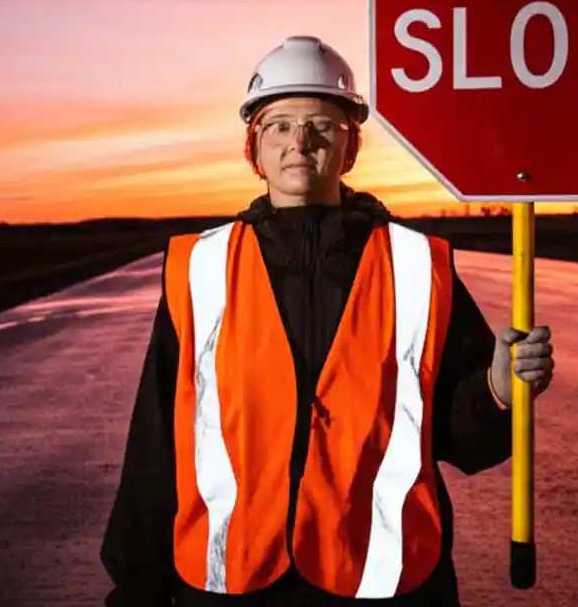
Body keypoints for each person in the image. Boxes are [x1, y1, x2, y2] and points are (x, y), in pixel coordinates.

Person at [101, 35, 555, 605]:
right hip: (234, 582)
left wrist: (498, 391)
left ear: (351, 146)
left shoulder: (416, 266)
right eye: (279, 126)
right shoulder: (201, 269)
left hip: (386, 582)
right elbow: (157, 444)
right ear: (254, 148)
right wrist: (136, 589)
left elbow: (460, 441)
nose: (300, 142)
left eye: (321, 125)